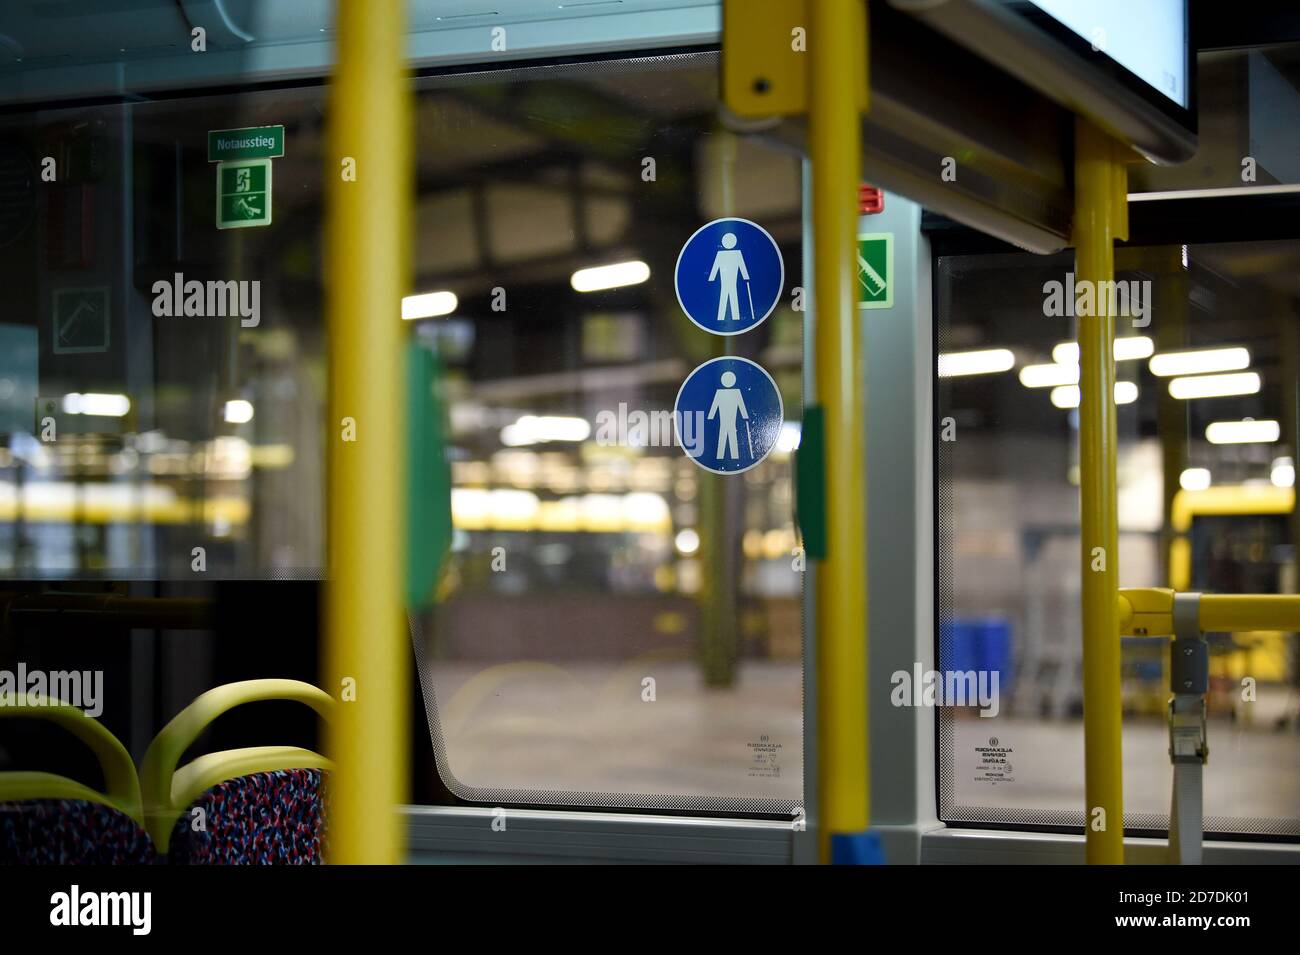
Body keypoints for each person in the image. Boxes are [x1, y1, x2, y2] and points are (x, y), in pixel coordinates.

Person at [708, 232, 750, 323]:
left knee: (731, 294)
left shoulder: (737, 254)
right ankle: (723, 316)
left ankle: (734, 315)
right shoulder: (721, 255)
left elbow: (742, 266)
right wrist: (712, 277)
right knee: (726, 295)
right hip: (724, 280)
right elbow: (715, 267)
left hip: (732, 279)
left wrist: (745, 276)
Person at [707, 370, 749, 460]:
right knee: (725, 436)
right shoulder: (721, 393)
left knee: (728, 436)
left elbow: (741, 405)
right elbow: (714, 406)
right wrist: (710, 416)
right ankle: (723, 456)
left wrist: (745, 415)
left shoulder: (734, 393)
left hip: (729, 421)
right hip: (724, 421)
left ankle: (731, 456)